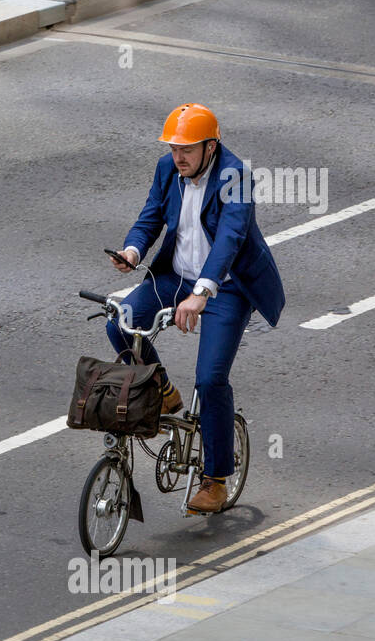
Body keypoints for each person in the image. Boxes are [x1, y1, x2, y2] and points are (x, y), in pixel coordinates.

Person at [108, 103, 285, 514]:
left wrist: (202, 292)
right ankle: (164, 391)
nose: (178, 157)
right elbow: (151, 216)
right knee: (121, 324)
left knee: (210, 380)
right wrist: (133, 251)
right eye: (174, 148)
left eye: (187, 149)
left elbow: (230, 238)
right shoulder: (167, 169)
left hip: (227, 287)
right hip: (176, 277)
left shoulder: (234, 176)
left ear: (211, 146)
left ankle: (216, 478)